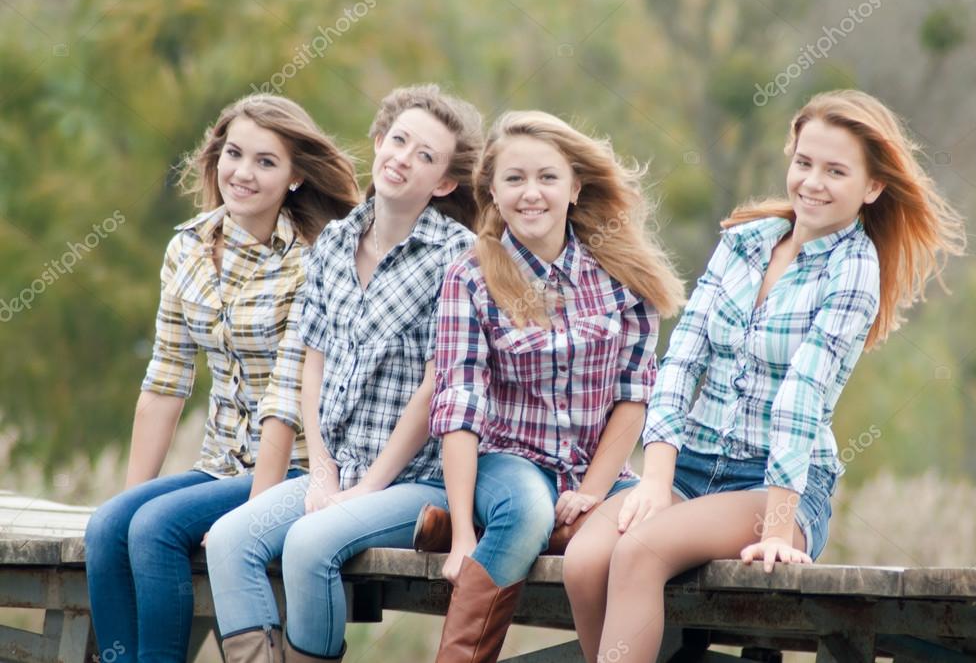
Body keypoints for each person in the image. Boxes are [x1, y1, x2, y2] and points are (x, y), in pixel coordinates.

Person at [565, 89, 968, 663]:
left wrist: (778, 528)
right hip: (689, 465)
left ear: (872, 187)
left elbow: (800, 397)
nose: (812, 182)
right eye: (804, 163)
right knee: (584, 561)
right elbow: (681, 359)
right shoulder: (743, 242)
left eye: (836, 171)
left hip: (772, 484)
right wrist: (654, 480)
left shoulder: (854, 272)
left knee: (640, 553)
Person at [204, 84, 483, 662]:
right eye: (398, 140)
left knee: (308, 544)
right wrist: (326, 473)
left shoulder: (458, 257)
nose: (403, 158)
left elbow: (438, 388)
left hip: (415, 483)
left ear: (445, 183)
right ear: (379, 142)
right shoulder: (333, 241)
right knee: (230, 539)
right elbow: (314, 358)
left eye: (425, 155)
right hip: (337, 470)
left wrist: (367, 486)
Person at [84, 94, 360, 662]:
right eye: (234, 154)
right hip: (220, 463)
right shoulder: (187, 247)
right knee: (111, 525)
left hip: (300, 466)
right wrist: (133, 491)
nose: (243, 172)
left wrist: (251, 515)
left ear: (296, 176)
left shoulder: (313, 260)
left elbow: (286, 398)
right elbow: (165, 382)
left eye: (266, 161)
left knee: (155, 529)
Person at [430, 110, 685, 663]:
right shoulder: (470, 275)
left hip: (600, 470)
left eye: (547, 177)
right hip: (508, 462)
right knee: (526, 512)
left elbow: (633, 395)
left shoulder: (623, 275)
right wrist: (460, 540)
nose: (531, 194)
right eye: (514, 179)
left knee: (663, 524)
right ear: (492, 192)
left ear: (574, 186)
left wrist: (592, 491)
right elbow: (458, 405)